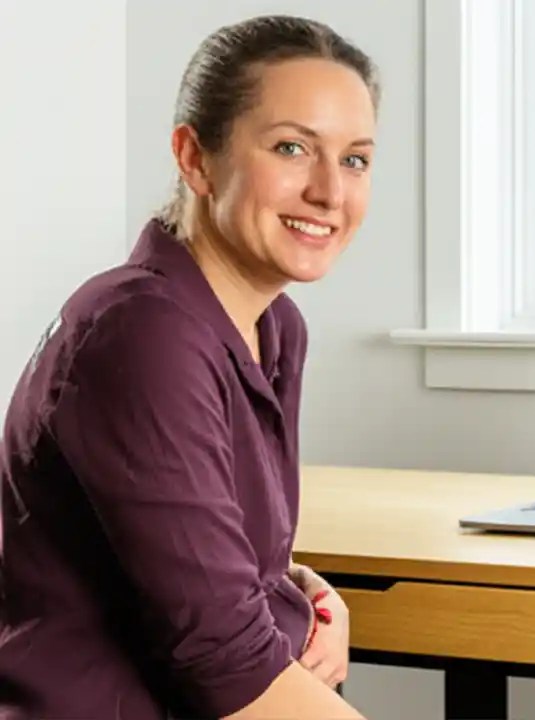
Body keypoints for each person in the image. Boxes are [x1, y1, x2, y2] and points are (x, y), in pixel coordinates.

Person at [0, 14, 379, 719]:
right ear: (194, 157)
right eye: (292, 147)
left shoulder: (272, 327)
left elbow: (193, 553)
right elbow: (227, 664)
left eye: (355, 159)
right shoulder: (142, 332)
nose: (331, 191)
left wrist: (297, 591)